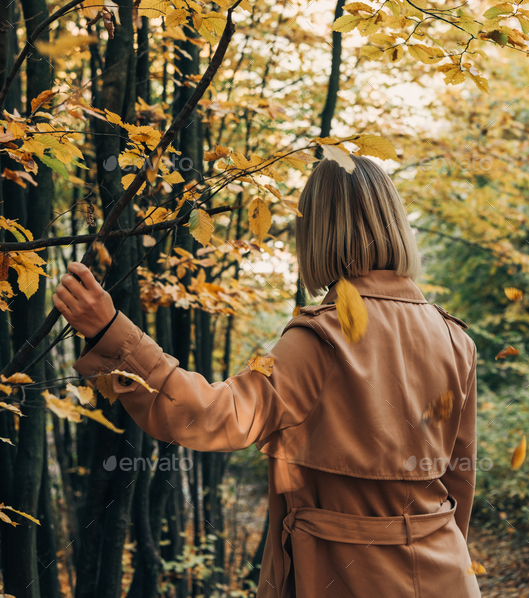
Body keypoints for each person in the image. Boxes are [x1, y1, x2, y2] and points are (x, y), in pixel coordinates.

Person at [56, 156, 481, 598]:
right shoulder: (454, 340)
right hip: (447, 576)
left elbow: (210, 416)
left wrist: (113, 335)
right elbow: (459, 485)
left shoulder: (322, 337)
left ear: (316, 233)